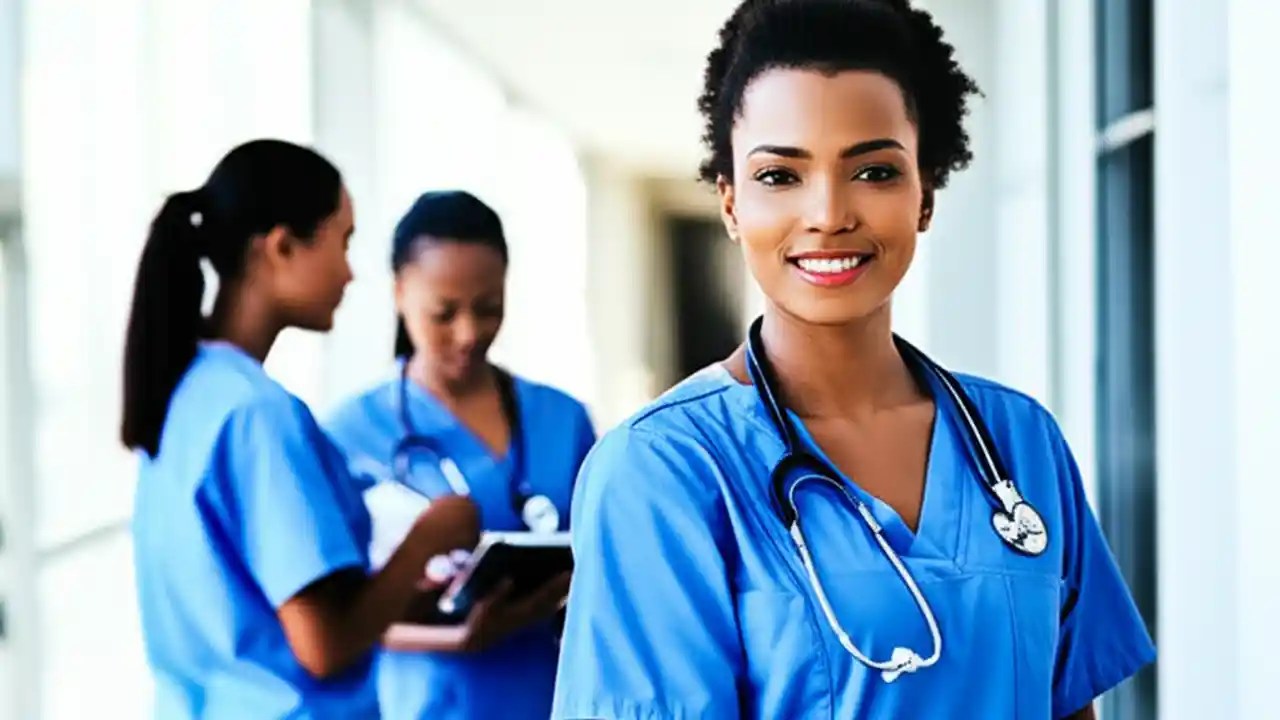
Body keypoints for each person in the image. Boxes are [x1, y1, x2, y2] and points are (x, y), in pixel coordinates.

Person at [552, 1, 1156, 718]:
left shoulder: (1021, 442)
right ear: (731, 204)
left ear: (925, 194)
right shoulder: (662, 469)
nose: (829, 214)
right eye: (780, 176)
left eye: (873, 171)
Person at [123, 139, 479, 719]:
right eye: (343, 242)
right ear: (282, 247)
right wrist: (428, 539)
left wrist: (412, 600)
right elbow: (324, 648)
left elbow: (257, 619)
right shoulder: (258, 415)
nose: (350, 274)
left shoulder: (186, 393)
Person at [324, 190, 597, 720]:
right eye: (443, 313)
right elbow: (330, 623)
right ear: (399, 293)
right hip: (423, 704)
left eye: (488, 308)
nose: (469, 333)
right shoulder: (349, 434)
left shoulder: (563, 420)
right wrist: (455, 637)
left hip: (549, 699)